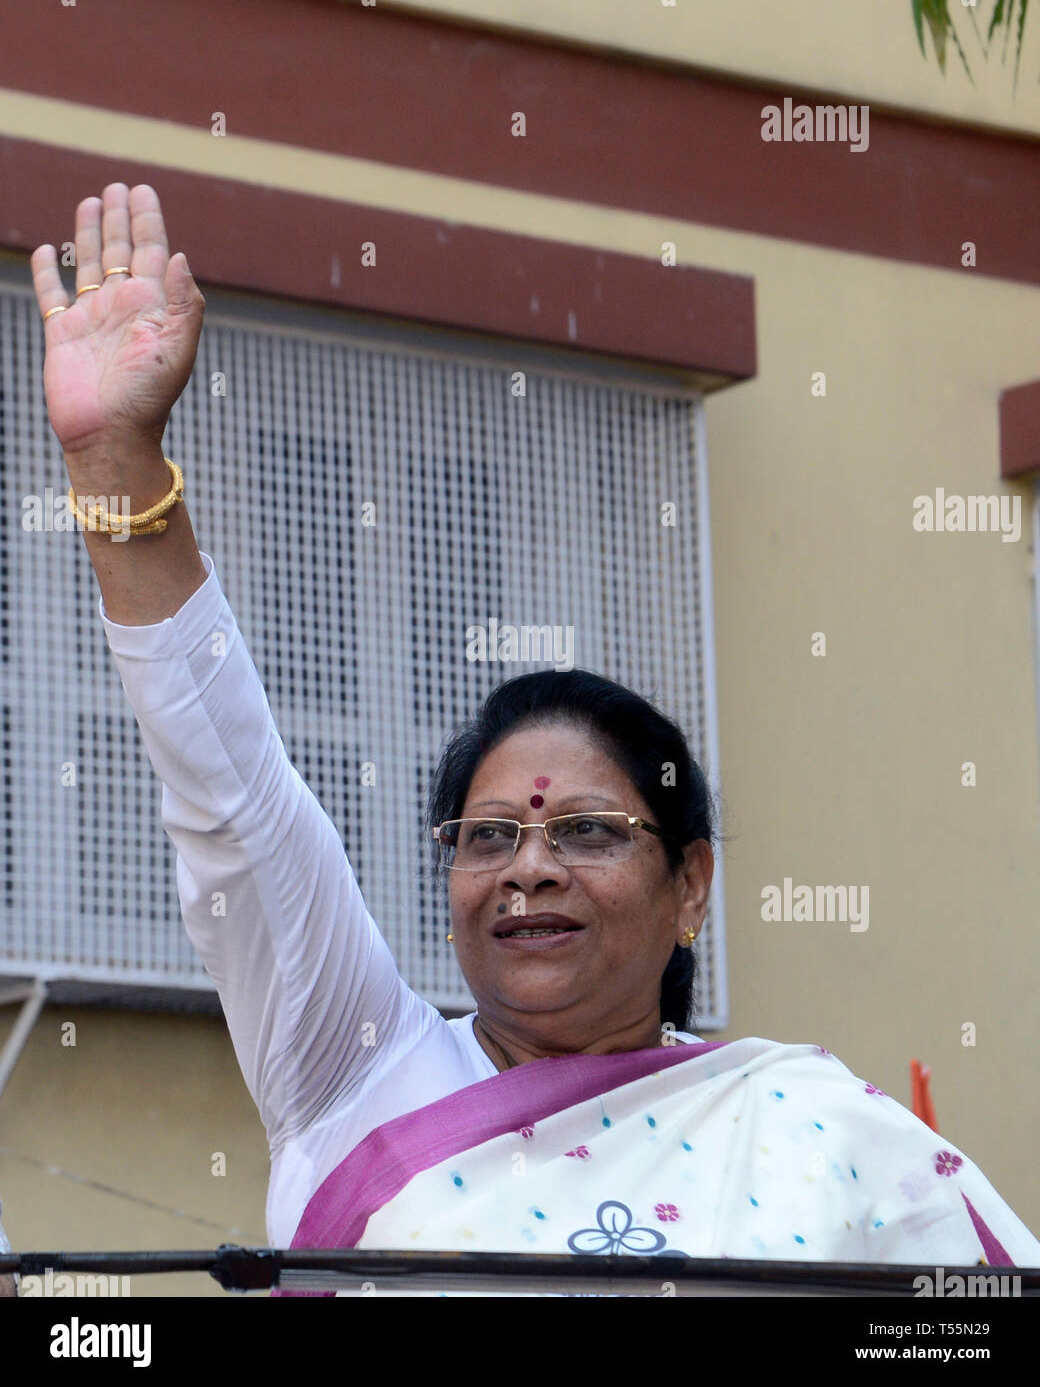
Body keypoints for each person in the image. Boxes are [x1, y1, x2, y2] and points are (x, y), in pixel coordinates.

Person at [31, 184, 1040, 1290]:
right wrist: (118, 468)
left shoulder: (819, 1138)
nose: (528, 870)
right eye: (488, 835)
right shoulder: (352, 1067)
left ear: (690, 883)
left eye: (588, 831)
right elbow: (230, 798)